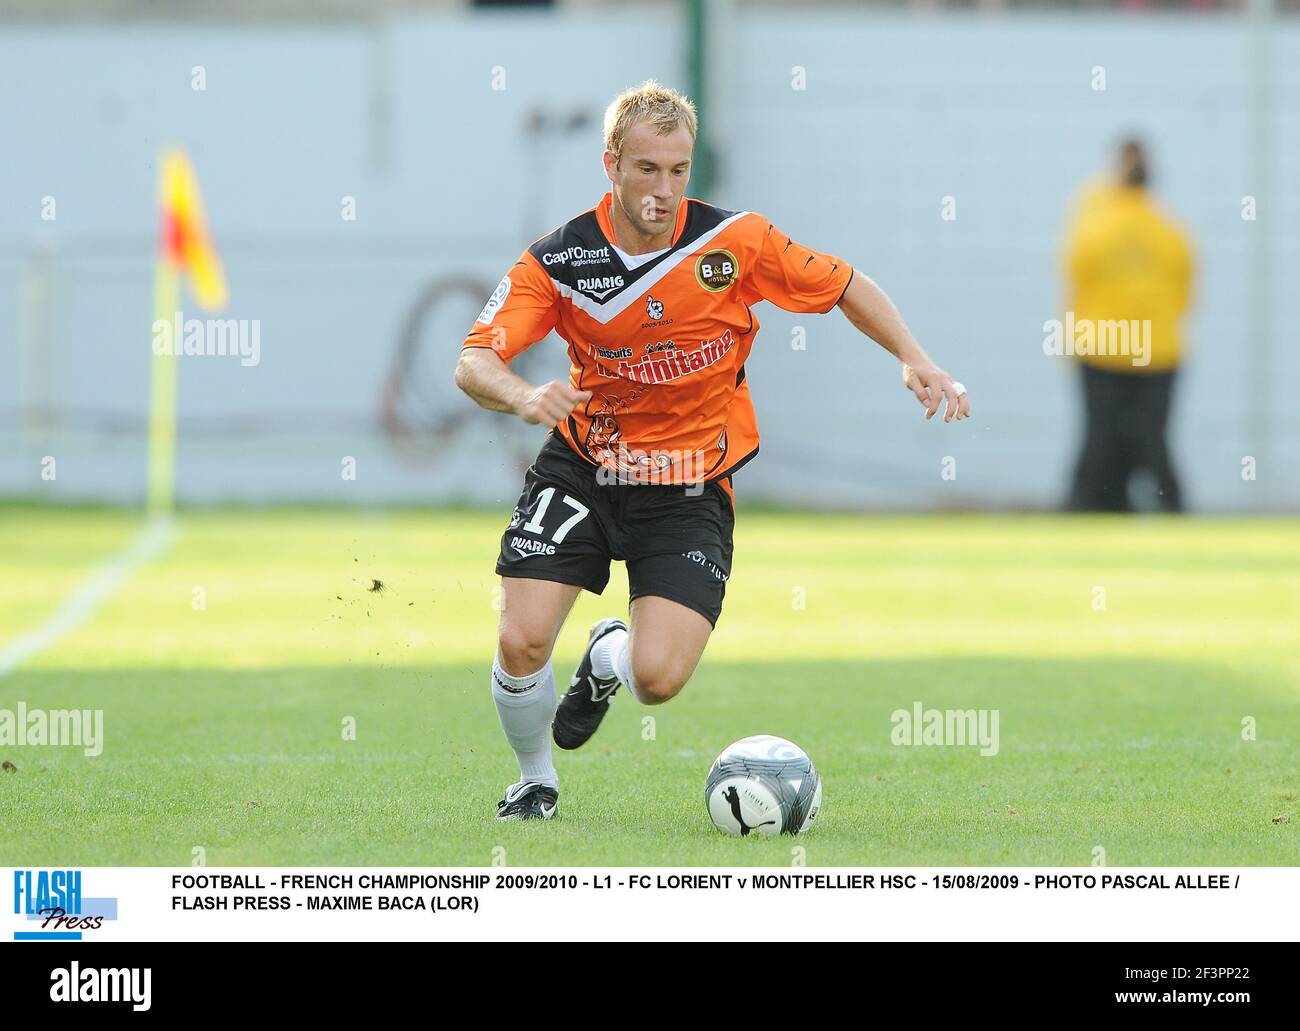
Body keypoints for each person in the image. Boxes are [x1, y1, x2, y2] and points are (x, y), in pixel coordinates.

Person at [455, 80, 969, 820]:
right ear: (611, 165)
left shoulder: (735, 243)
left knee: (658, 678)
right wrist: (524, 396)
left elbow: (845, 282)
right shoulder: (559, 261)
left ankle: (607, 656)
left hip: (690, 488)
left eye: (678, 170)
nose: (663, 190)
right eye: (646, 170)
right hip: (584, 469)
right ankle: (536, 779)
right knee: (522, 635)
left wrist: (912, 356)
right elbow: (473, 360)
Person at [1064, 138, 1195, 512]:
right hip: (1159, 351)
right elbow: (1187, 293)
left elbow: (1075, 281)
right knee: (1153, 439)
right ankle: (1171, 509)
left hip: (1102, 348)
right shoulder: (1171, 231)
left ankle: (1092, 507)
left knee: (1099, 438)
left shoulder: (1094, 226)